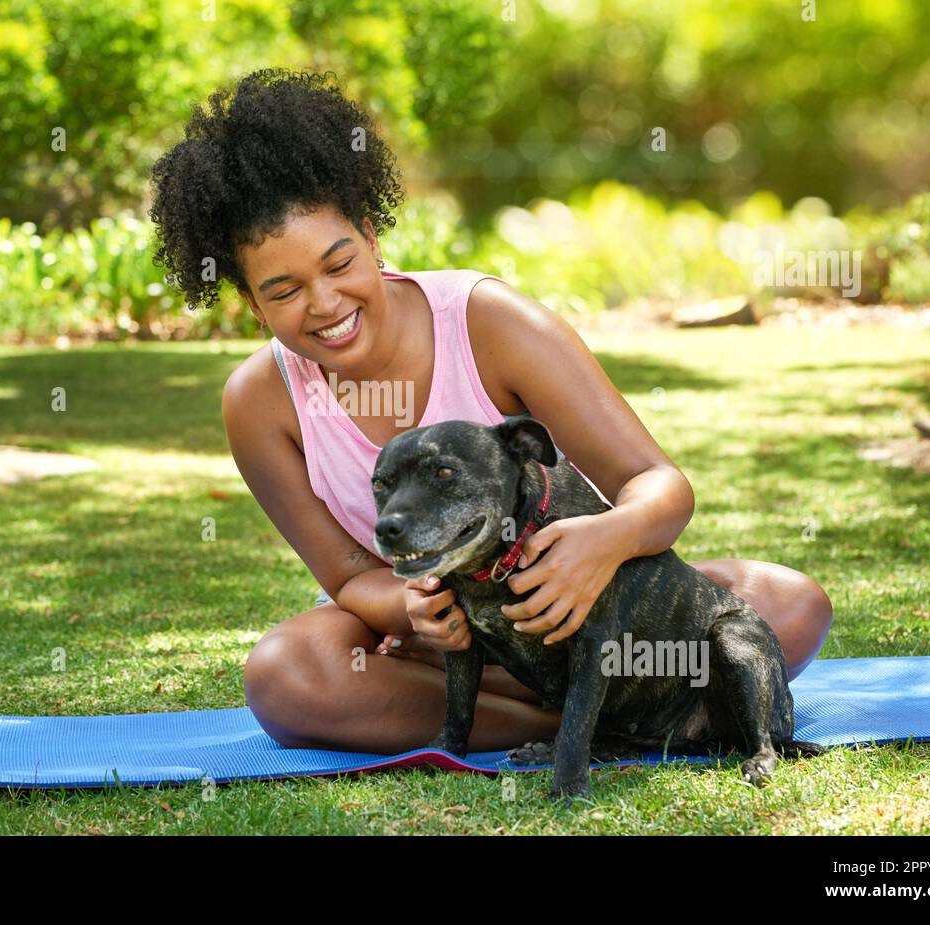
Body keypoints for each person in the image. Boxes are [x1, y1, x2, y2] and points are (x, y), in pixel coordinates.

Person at [148, 68, 832, 755]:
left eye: (339, 263)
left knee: (791, 606)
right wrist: (411, 606)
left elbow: (659, 485)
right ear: (251, 302)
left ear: (371, 236)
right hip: (433, 646)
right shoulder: (260, 401)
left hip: (579, 612)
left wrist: (604, 542)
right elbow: (351, 576)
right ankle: (583, 725)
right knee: (287, 674)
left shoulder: (489, 323)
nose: (325, 303)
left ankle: (567, 707)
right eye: (285, 290)